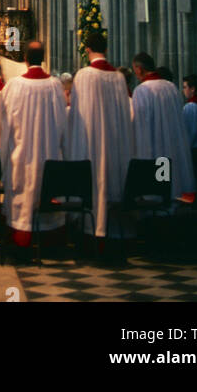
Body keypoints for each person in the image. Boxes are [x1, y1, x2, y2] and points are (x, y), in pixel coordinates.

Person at [1, 41, 67, 251]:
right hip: (49, 153)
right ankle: (48, 237)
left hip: (22, 154)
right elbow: (62, 121)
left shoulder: (14, 85)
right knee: (47, 193)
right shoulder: (56, 85)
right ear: (43, 58)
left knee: (22, 197)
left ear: (26, 60)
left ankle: (21, 238)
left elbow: (6, 123)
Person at [67, 30, 132, 238]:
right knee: (112, 181)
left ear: (87, 50)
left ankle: (90, 227)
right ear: (106, 49)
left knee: (94, 185)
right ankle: (113, 230)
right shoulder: (119, 78)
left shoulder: (83, 76)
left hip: (90, 145)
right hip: (115, 146)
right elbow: (124, 116)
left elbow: (77, 117)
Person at [131, 52, 195, 199]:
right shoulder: (171, 87)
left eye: (135, 69)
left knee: (157, 189)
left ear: (139, 69)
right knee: (170, 181)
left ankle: (158, 203)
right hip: (171, 145)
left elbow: (139, 125)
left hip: (154, 146)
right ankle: (170, 200)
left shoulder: (142, 90)